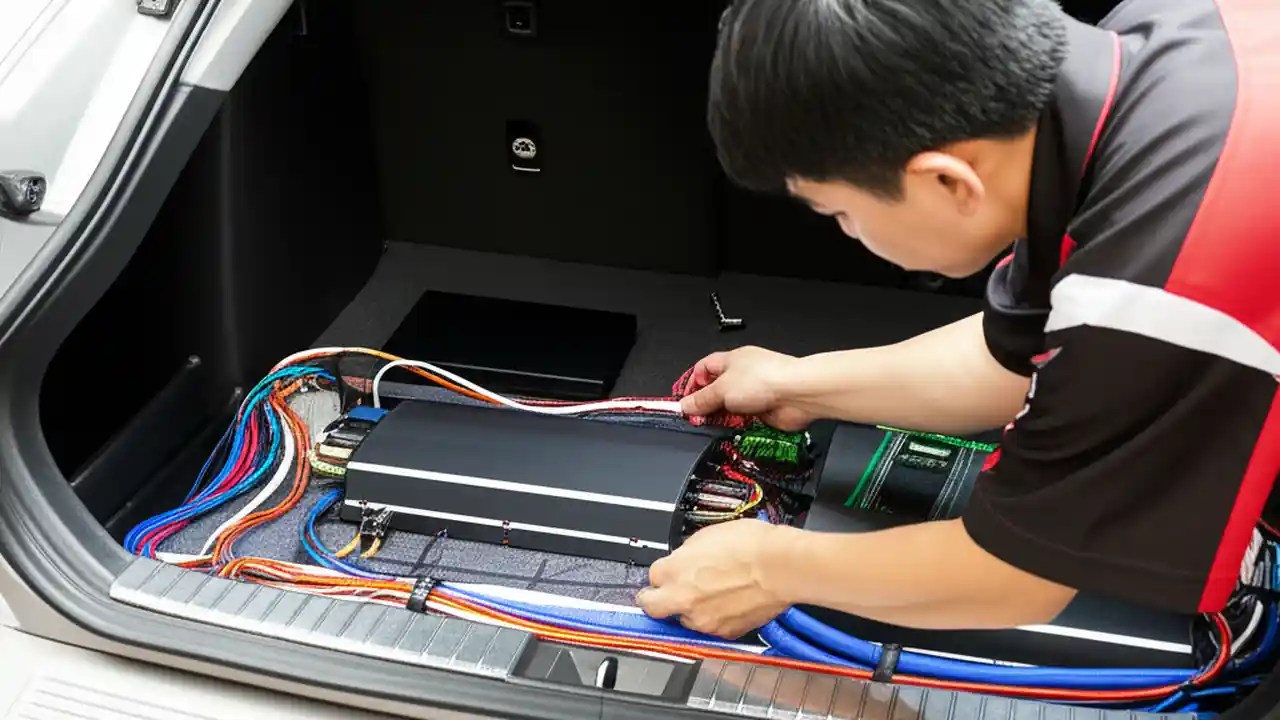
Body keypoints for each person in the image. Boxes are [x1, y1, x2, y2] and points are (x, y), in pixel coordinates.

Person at [635, 0, 1280, 639]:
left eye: (840, 214)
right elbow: (1019, 355)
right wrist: (797, 384)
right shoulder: (1162, 36)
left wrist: (770, 567)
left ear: (948, 182)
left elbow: (1018, 574)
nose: (848, 232)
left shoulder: (1166, 273)